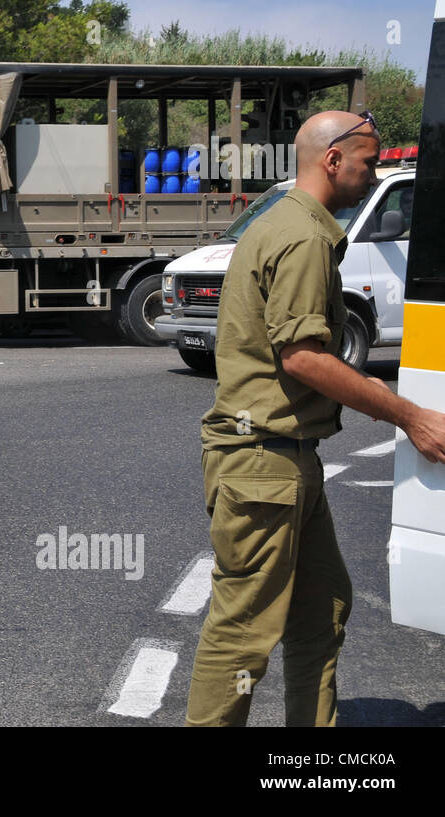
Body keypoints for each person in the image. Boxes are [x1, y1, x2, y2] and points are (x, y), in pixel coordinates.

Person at [185, 110, 445, 727]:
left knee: (322, 609)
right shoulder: (303, 237)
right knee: (242, 636)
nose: (373, 173)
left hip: (285, 462)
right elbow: (303, 358)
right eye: (369, 162)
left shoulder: (290, 223)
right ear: (333, 160)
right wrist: (410, 416)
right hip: (262, 466)